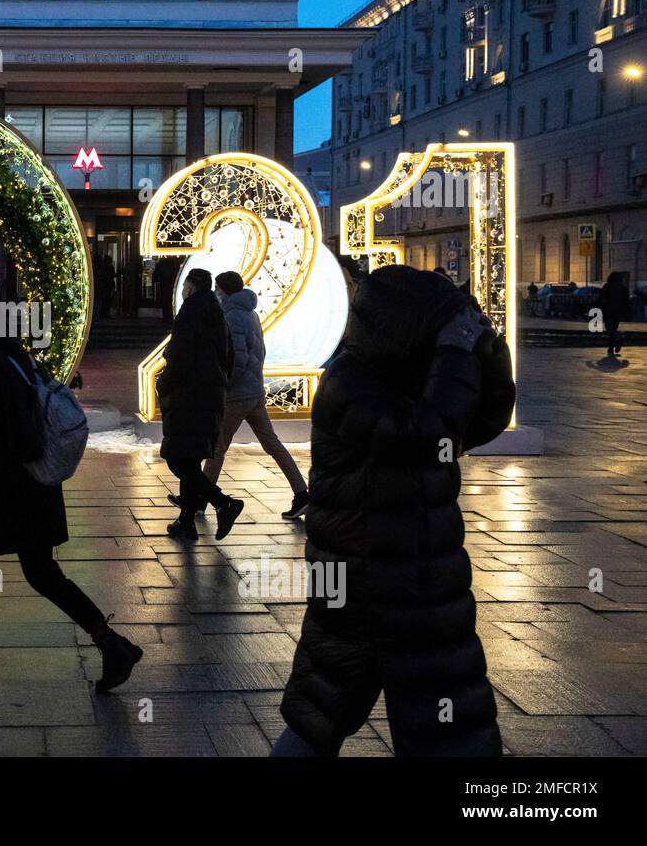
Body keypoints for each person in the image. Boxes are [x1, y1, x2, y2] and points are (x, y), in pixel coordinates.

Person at [272, 265, 515, 757]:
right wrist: (451, 354)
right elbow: (427, 437)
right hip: (360, 585)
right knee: (319, 714)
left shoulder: (411, 375)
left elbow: (481, 422)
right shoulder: (350, 381)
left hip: (419, 587)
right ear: (404, 324)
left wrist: (485, 350)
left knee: (448, 728)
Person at [0, 284, 143, 691]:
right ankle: (110, 643)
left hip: (0, 489)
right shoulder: (21, 359)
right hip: (34, 486)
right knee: (41, 572)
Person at [198, 271, 309, 519]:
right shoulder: (251, 314)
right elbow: (258, 352)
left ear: (224, 290)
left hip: (238, 395)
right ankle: (302, 493)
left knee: (217, 447)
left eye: (218, 288)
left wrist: (226, 384)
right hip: (254, 390)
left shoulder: (232, 317)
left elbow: (237, 358)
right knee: (272, 443)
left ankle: (200, 499)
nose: (216, 293)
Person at [157, 268, 243, 540]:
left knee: (177, 458)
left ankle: (223, 503)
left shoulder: (190, 312)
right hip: (210, 395)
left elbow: (182, 356)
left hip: (188, 396)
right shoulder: (217, 315)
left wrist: (164, 384)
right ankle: (186, 522)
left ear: (191, 287)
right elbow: (228, 356)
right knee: (190, 460)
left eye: (185, 286)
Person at [596, 271, 631, 356]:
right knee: (613, 328)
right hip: (619, 312)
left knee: (609, 329)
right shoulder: (624, 288)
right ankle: (611, 347)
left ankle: (616, 341)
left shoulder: (607, 286)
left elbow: (600, 298)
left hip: (608, 311)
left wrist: (597, 307)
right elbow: (627, 302)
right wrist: (627, 314)